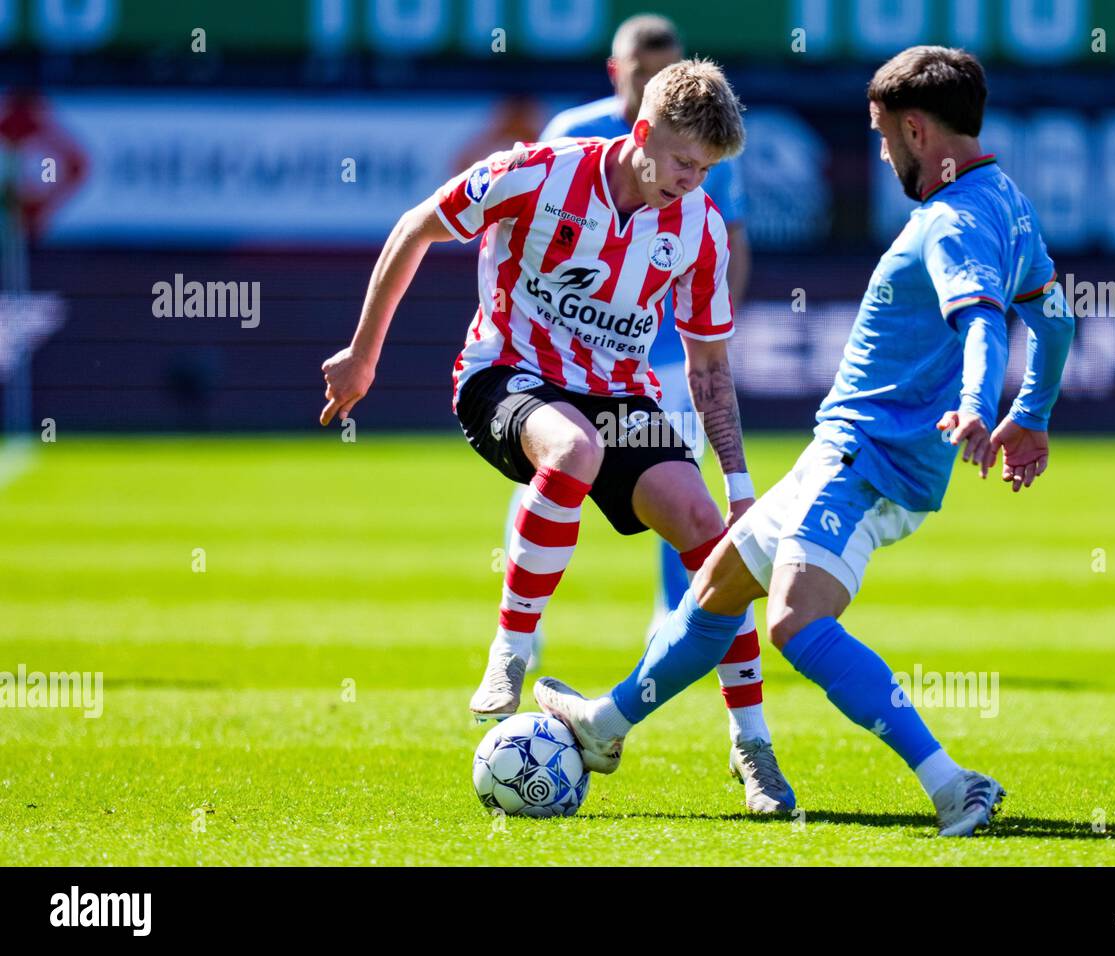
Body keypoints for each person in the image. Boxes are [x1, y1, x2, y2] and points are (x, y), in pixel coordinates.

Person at [533, 46, 1076, 837]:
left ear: (917, 129)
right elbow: (1053, 318)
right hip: (845, 451)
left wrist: (975, 404)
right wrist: (1033, 412)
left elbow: (984, 322)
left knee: (792, 622)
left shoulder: (953, 218)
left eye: (885, 134)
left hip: (868, 455)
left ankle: (954, 785)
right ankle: (603, 728)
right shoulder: (1008, 203)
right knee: (719, 586)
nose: (884, 150)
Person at [319, 58, 795, 813]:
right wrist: (363, 354)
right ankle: (511, 652)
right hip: (505, 376)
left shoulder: (698, 226)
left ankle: (753, 746)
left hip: (616, 395)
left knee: (711, 535)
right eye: (681, 161)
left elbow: (708, 365)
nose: (691, 181)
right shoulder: (535, 173)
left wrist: (738, 486)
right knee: (575, 451)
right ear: (641, 133)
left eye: (705, 169)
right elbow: (416, 227)